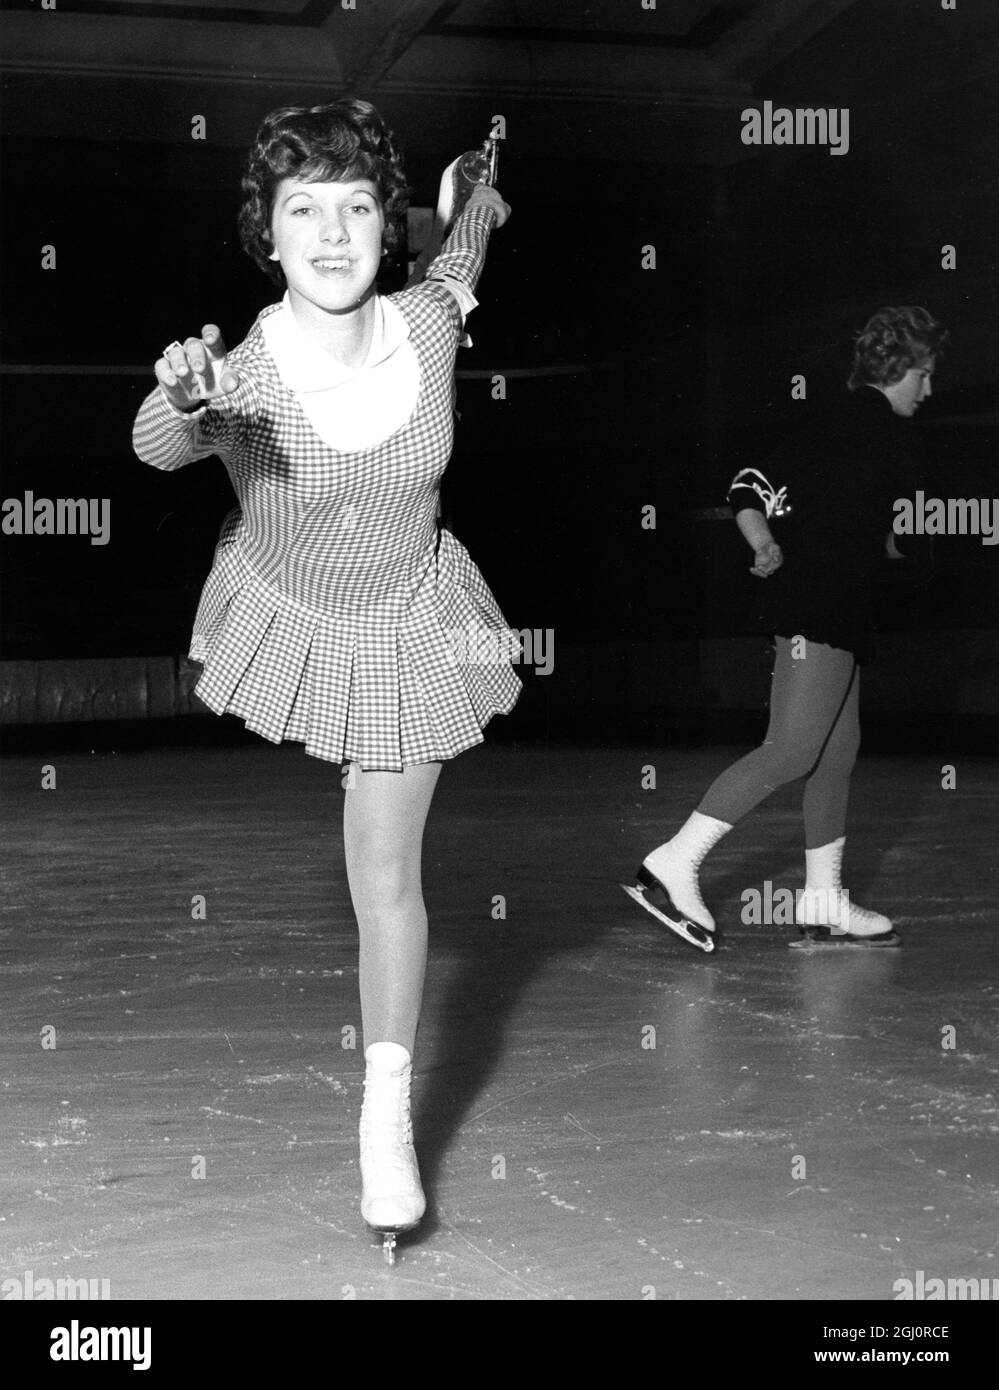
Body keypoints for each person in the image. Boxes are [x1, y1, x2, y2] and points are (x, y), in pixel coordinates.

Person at [132, 99, 520, 1258]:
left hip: (407, 620)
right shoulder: (240, 370)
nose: (336, 232)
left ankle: (385, 1119)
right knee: (375, 859)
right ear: (270, 230)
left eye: (357, 206)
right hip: (292, 603)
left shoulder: (430, 320)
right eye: (306, 209)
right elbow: (160, 442)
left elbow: (465, 250)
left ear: (383, 222)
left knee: (386, 875)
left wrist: (479, 185)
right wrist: (187, 393)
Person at [624, 306, 946, 950]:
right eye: (924, 375)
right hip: (819, 607)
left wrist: (764, 540)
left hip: (836, 606)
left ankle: (824, 899)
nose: (929, 390)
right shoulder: (878, 432)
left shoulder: (833, 424)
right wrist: (955, 533)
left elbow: (750, 486)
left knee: (834, 753)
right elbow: (893, 536)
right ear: (896, 370)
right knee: (794, 749)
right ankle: (674, 861)